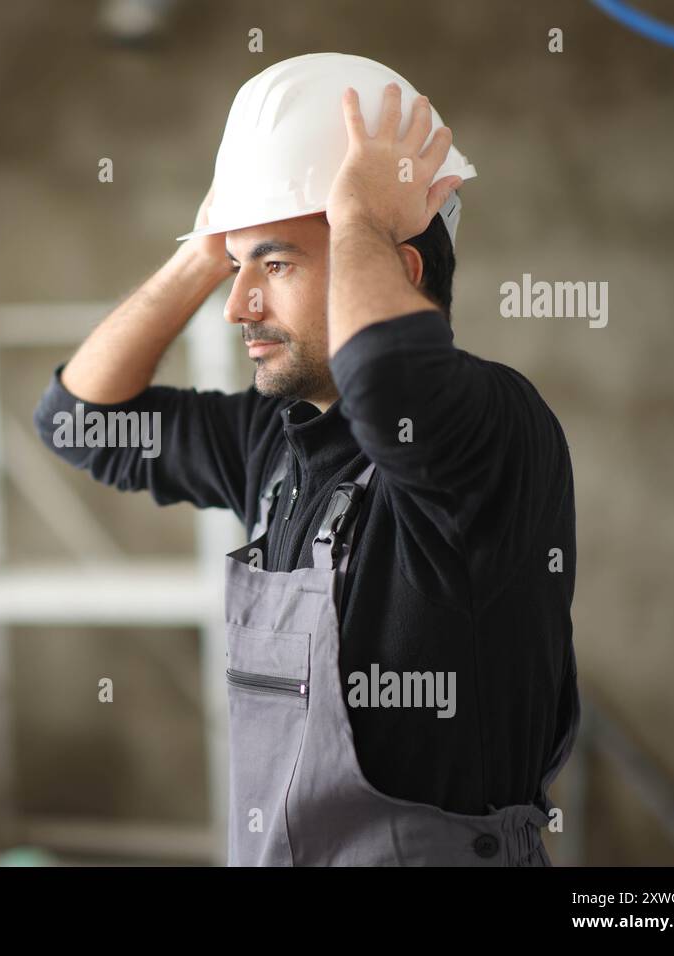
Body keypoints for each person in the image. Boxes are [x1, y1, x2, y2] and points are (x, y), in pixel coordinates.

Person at [33, 53, 579, 866]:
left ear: (402, 265)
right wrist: (204, 249)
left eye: (277, 264)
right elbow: (79, 421)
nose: (237, 304)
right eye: (237, 266)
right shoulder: (275, 440)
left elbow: (390, 378)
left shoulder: (492, 429)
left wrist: (358, 212)